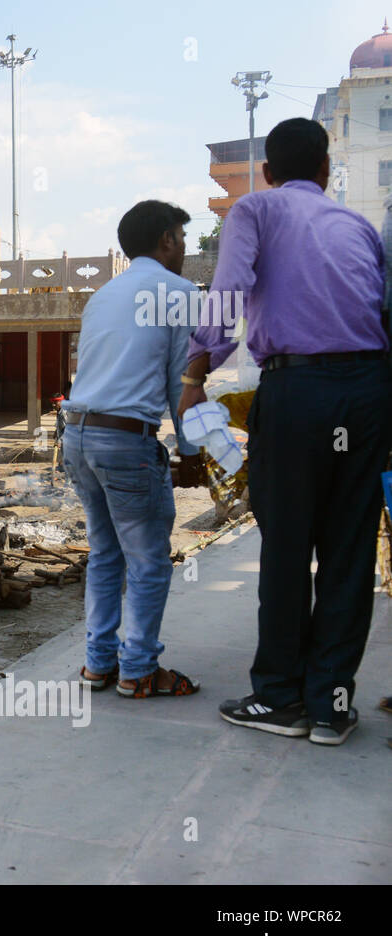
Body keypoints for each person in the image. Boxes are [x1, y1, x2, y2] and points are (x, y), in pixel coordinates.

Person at [183, 118, 392, 745]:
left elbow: (226, 297)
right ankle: (330, 706)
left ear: (268, 172)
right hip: (367, 392)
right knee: (349, 551)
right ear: (327, 172)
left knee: (286, 548)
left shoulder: (255, 210)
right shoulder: (358, 226)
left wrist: (197, 376)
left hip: (298, 392)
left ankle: (279, 699)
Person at [61, 200, 201, 699]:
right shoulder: (182, 293)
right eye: (182, 239)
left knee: (104, 554)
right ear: (166, 239)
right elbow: (181, 380)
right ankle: (138, 670)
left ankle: (98, 663)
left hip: (76, 434)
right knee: (148, 561)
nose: (184, 249)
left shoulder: (101, 297)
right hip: (125, 441)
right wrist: (191, 451)